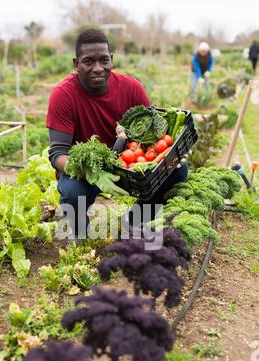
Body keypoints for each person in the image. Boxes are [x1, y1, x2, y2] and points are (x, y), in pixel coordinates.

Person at [46, 28, 187, 240]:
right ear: (76, 64)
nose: (97, 68)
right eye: (88, 62)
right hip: (88, 172)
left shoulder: (131, 88)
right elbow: (58, 154)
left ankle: (135, 221)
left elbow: (151, 141)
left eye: (104, 60)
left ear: (111, 59)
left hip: (128, 165)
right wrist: (94, 171)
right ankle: (82, 236)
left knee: (177, 169)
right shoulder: (63, 95)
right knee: (72, 190)